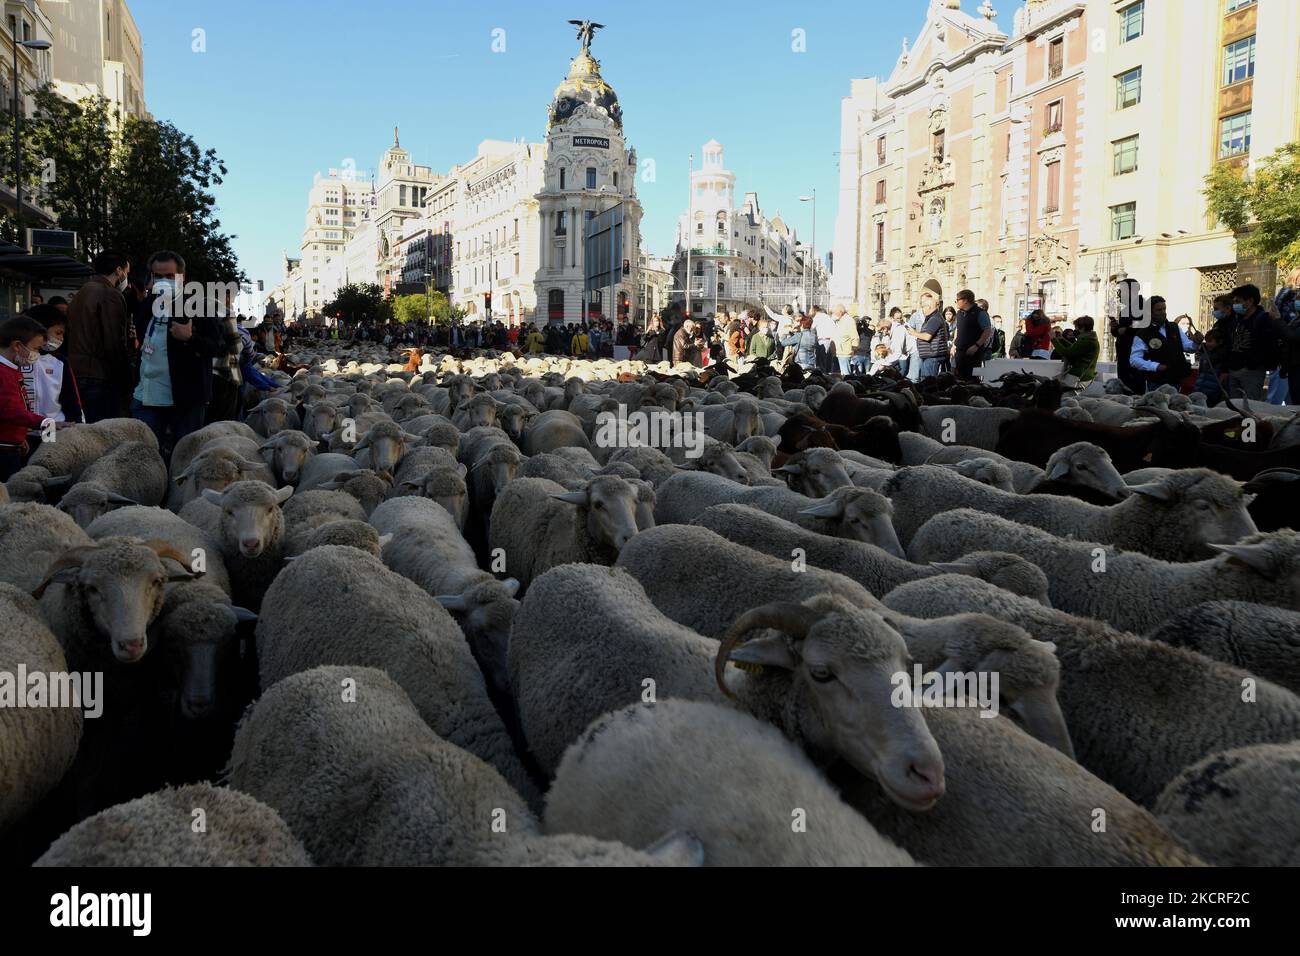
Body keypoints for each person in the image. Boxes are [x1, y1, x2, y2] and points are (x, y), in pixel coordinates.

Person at [130, 250, 223, 458]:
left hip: (185, 400)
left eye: (170, 276)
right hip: (146, 398)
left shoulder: (200, 305)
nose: (163, 281)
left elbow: (217, 347)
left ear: (182, 277)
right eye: (158, 276)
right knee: (145, 457)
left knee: (185, 457)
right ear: (151, 277)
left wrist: (190, 338)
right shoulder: (145, 306)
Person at [0, 315, 73, 480]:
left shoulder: (14, 368)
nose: (36, 354)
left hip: (21, 439)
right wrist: (45, 423)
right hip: (6, 448)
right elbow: (10, 410)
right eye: (35, 349)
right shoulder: (3, 372)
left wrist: (19, 438)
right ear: (17, 346)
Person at [67, 249, 133, 422]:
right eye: (126, 272)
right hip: (98, 376)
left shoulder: (84, 290)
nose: (126, 277)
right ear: (119, 270)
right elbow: (113, 342)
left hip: (77, 371)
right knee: (101, 433)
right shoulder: (109, 294)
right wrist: (127, 380)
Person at [1214, 284, 1274, 401]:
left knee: (1250, 408)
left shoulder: (1263, 320)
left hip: (1251, 372)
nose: (1235, 304)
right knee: (1234, 407)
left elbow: (1266, 346)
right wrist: (1226, 369)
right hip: (1233, 371)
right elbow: (1230, 345)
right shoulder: (1236, 321)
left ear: (1250, 301)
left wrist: (1251, 364)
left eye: (1238, 301)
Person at [25, 304, 83, 424]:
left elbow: (71, 398)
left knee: (50, 444)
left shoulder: (60, 362)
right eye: (58, 333)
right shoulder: (16, 358)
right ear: (40, 329)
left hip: (52, 426)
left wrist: (78, 424)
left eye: (63, 334)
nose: (61, 338)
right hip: (22, 427)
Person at [1130, 296, 1199, 392]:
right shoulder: (1143, 333)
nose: (1163, 312)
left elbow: (1188, 347)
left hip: (1176, 379)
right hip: (1156, 382)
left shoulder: (1174, 327)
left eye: (1164, 309)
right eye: (1159, 310)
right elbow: (1134, 360)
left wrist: (1196, 342)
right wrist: (1155, 366)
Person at [906, 291, 948, 379]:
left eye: (923, 307)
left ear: (928, 307)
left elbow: (927, 336)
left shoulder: (935, 319)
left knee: (929, 382)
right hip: (930, 356)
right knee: (926, 380)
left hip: (933, 356)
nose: (922, 310)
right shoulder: (932, 318)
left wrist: (914, 333)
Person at [952, 289, 993, 379]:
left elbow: (987, 331)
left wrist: (976, 346)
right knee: (958, 378)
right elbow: (958, 329)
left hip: (973, 352)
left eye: (957, 300)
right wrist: (954, 345)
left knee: (972, 379)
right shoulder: (959, 313)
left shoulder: (980, 313)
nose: (956, 302)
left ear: (965, 300)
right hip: (960, 352)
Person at [1051, 315, 1100, 382]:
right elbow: (1075, 348)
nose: (1075, 330)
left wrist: (1053, 339)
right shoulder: (1091, 339)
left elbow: (1066, 353)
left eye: (1076, 327)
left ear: (1082, 328)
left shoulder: (1086, 341)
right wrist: (1062, 340)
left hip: (1079, 376)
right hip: (1085, 374)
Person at [831, 305, 858, 375]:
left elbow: (854, 335)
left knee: (845, 374)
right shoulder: (840, 320)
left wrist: (854, 348)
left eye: (834, 312)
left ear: (840, 312)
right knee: (837, 374)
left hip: (844, 352)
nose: (833, 314)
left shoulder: (849, 320)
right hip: (838, 352)